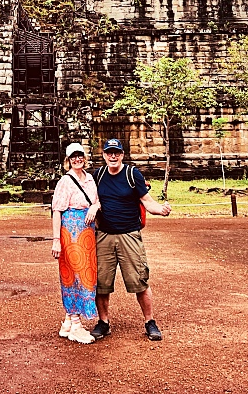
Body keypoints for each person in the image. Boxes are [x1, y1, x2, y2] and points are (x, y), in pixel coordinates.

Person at [91, 137, 171, 342]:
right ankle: (103, 322)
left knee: (139, 280)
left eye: (116, 152)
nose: (113, 156)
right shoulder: (98, 175)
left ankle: (149, 321)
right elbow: (92, 200)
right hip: (104, 237)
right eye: (109, 152)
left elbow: (147, 201)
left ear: (122, 155)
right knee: (101, 282)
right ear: (104, 155)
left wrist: (160, 210)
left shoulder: (131, 174)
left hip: (129, 235)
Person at [50, 142, 101, 344]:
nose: (77, 159)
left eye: (80, 156)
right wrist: (56, 240)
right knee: (74, 273)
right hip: (69, 231)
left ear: (84, 157)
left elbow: (97, 200)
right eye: (73, 157)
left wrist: (94, 207)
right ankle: (76, 324)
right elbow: (57, 210)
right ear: (68, 160)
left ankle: (68, 322)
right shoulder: (65, 181)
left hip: (87, 232)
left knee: (86, 272)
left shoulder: (90, 179)